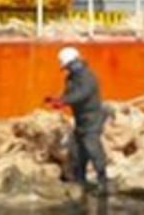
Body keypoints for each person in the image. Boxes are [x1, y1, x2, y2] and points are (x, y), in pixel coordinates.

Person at [45, 46, 108, 195]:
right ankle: (80, 180)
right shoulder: (71, 78)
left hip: (92, 118)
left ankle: (103, 181)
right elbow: (70, 94)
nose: (67, 69)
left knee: (92, 148)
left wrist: (64, 101)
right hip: (80, 119)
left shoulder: (88, 77)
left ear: (76, 62)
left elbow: (81, 94)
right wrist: (58, 99)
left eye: (68, 66)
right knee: (79, 151)